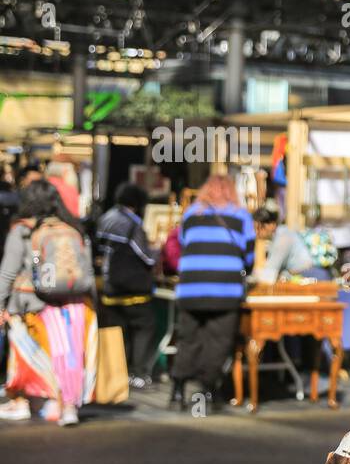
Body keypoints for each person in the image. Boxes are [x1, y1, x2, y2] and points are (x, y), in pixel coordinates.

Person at [0, 180, 97, 426]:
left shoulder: (23, 230)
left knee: (30, 358)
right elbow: (87, 270)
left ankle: (25, 401)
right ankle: (68, 406)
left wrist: (1, 306)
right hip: (75, 304)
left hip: (34, 306)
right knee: (68, 357)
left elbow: (7, 273)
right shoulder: (73, 229)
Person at [169, 174, 253, 412]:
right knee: (218, 340)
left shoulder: (191, 214)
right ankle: (207, 390)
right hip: (224, 288)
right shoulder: (241, 215)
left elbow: (184, 243)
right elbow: (249, 255)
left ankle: (177, 391)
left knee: (188, 338)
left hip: (190, 287)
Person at [97, 183, 159, 389]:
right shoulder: (133, 224)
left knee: (118, 331)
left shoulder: (106, 218)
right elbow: (147, 257)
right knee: (143, 327)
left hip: (109, 285)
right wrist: (157, 249)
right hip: (133, 288)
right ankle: (139, 373)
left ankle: (117, 374)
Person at [252, 207, 331, 283]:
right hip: (306, 276)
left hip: (313, 277)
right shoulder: (280, 235)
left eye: (260, 227)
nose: (256, 232)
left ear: (272, 225)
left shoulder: (283, 239)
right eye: (254, 228)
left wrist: (252, 277)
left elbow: (268, 275)